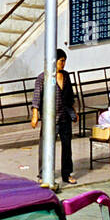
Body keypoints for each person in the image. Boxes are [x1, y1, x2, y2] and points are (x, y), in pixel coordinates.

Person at [32, 49, 77, 186]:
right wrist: (35, 115)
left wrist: (74, 112)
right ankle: (42, 174)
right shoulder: (43, 77)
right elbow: (36, 97)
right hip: (50, 118)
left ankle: (66, 174)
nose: (63, 64)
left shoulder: (66, 76)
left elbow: (70, 97)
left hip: (65, 117)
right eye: (60, 61)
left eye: (64, 61)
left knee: (67, 146)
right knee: (45, 146)